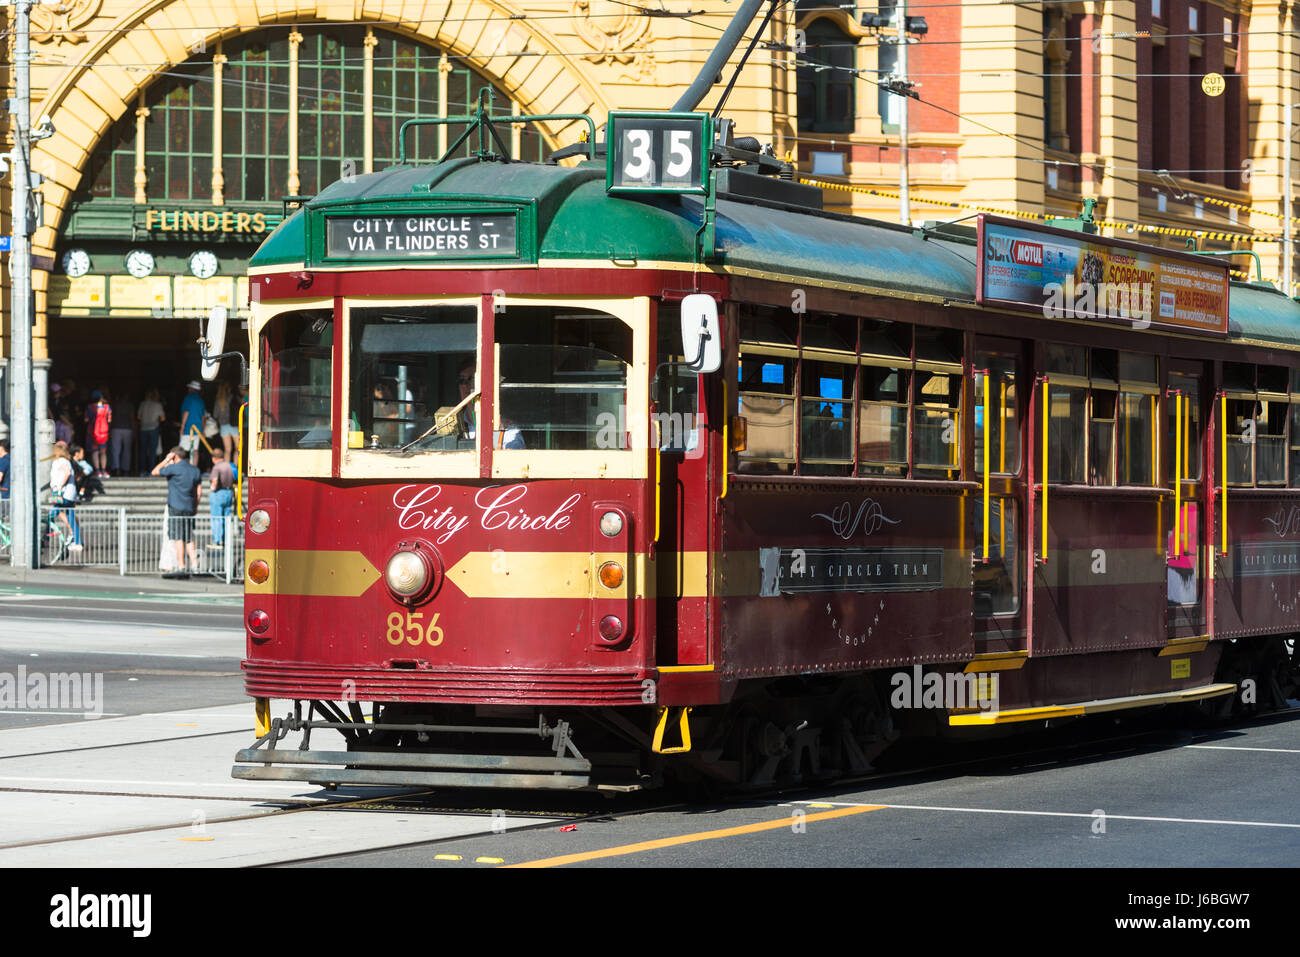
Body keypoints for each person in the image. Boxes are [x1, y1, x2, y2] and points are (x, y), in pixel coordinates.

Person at [153, 445, 202, 578]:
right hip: (189, 507)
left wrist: (166, 460)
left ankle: (181, 566)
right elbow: (198, 491)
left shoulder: (173, 468)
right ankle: (195, 565)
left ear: (175, 456)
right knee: (189, 537)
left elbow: (155, 471)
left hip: (175, 506)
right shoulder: (194, 470)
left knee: (178, 537)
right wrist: (196, 505)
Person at [48, 444, 83, 554]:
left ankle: (46, 532)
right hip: (70, 494)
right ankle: (78, 543)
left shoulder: (60, 461)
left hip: (64, 494)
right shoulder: (66, 461)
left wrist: (59, 486)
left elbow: (67, 473)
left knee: (51, 513)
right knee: (71, 518)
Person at [207, 446, 235, 548]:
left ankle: (217, 541)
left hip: (218, 493)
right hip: (229, 492)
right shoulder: (230, 466)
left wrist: (212, 488)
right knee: (226, 518)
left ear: (214, 458)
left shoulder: (217, 467)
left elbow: (214, 480)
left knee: (217, 518)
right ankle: (226, 540)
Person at [137, 386, 166, 475]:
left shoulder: (142, 404)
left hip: (143, 428)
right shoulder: (158, 405)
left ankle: (142, 470)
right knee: (152, 450)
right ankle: (151, 470)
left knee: (143, 450)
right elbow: (163, 418)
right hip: (154, 428)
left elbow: (138, 417)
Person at [84, 389, 112, 476]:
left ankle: (97, 471)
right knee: (103, 452)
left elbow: (86, 419)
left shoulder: (89, 407)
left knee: (95, 452)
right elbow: (109, 420)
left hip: (92, 432)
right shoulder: (107, 407)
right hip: (103, 432)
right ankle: (104, 470)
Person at [109, 391, 135, 477]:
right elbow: (132, 418)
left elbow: (110, 417)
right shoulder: (130, 405)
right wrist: (134, 429)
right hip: (127, 429)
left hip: (115, 428)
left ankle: (116, 468)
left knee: (116, 449)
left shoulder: (114, 404)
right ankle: (126, 469)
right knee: (127, 450)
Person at [178, 381, 205, 458]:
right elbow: (203, 417)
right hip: (198, 429)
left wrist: (182, 427)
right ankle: (194, 468)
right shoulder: (201, 400)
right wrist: (202, 430)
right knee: (195, 450)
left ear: (191, 389)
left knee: (182, 450)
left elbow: (186, 412)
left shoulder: (188, 398)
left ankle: (182, 469)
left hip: (188, 428)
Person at [214, 380, 239, 463]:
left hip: (223, 426)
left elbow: (215, 415)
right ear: (228, 389)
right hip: (234, 425)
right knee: (238, 448)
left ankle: (227, 468)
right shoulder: (233, 397)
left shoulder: (219, 400)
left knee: (227, 450)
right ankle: (235, 468)